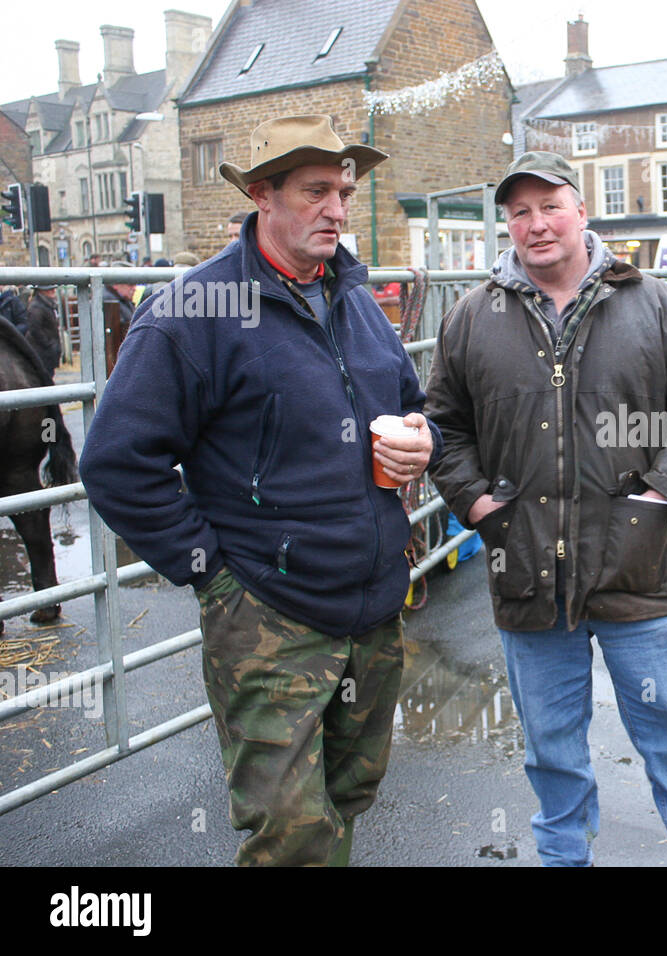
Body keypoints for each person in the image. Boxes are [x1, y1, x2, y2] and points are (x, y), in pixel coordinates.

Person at [80, 114, 440, 866]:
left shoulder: (355, 301)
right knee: (290, 833)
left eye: (342, 191)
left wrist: (420, 439)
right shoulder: (193, 313)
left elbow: (411, 403)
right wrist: (211, 573)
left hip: (373, 608)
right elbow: (117, 460)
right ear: (259, 193)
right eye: (315, 190)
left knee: (349, 795)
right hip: (270, 619)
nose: (337, 209)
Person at [424, 150, 667, 867]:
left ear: (581, 211)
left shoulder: (652, 303)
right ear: (508, 224)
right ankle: (564, 858)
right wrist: (477, 506)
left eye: (550, 206)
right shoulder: (474, 316)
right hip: (526, 567)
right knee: (550, 744)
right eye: (520, 212)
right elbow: (443, 424)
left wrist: (660, 495)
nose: (537, 225)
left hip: (638, 566)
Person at [22, 283, 62, 377]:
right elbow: (35, 330)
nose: (53, 291)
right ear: (41, 291)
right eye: (49, 289)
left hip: (46, 350)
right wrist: (48, 344)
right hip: (41, 351)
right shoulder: (36, 307)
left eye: (53, 288)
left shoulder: (47, 304)